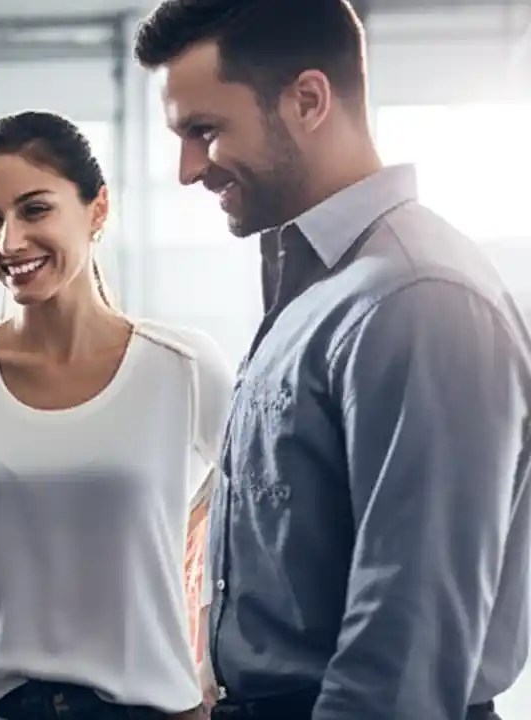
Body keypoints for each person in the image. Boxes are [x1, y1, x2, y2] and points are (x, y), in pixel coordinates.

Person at [134, 2, 531, 719]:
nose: (188, 169)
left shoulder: (416, 299)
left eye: (205, 131)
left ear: (308, 100)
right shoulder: (317, 293)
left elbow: (407, 649)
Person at [0, 110, 234, 720]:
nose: (9, 242)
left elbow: (225, 557)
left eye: (35, 209)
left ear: (97, 210)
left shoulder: (185, 368)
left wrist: (205, 691)